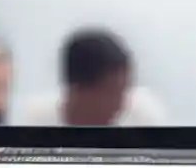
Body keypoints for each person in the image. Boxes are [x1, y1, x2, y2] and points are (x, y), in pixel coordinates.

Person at [21, 27, 168, 127]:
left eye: (125, 90)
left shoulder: (142, 114)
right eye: (112, 93)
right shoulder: (37, 119)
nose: (121, 105)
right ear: (77, 89)